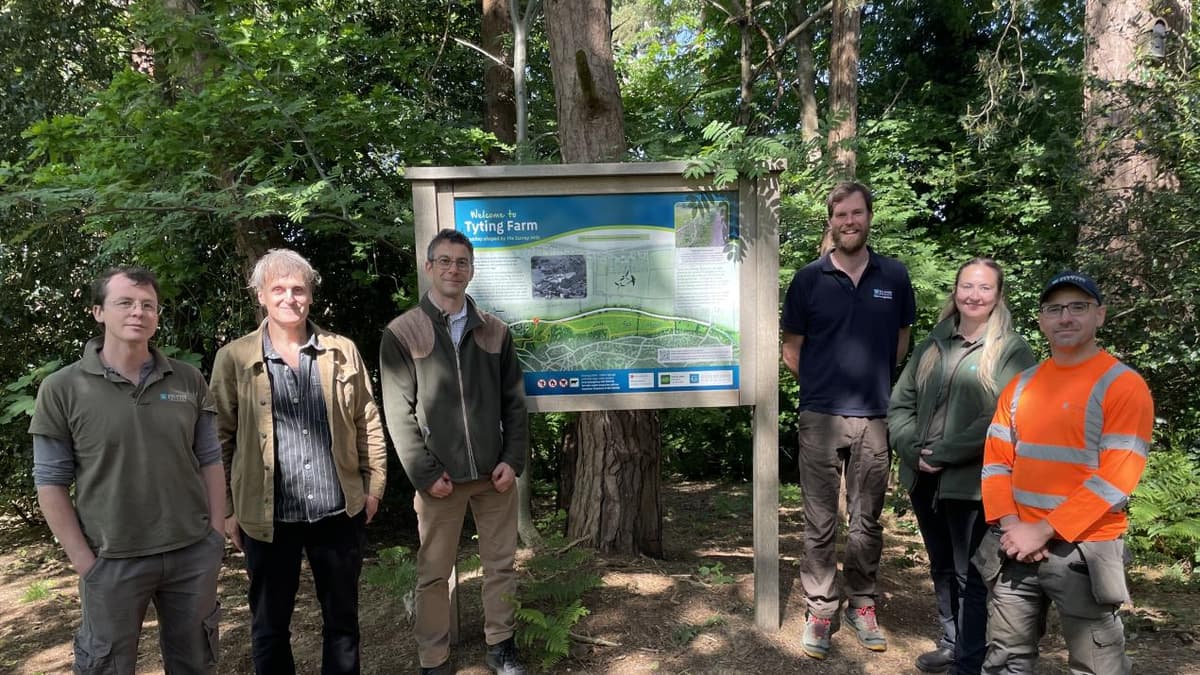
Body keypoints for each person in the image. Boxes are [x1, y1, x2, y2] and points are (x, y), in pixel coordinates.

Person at [30, 266, 225, 674]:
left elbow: (210, 458)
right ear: (98, 312)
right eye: (125, 303)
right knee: (108, 666)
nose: (138, 312)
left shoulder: (188, 379)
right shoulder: (62, 388)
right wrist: (85, 562)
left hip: (191, 553)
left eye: (148, 305)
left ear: (157, 316)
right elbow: (50, 481)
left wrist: (214, 535)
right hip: (111, 559)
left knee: (196, 664)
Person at [211, 249, 387, 674]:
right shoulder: (234, 358)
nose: (289, 298)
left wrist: (374, 487)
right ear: (260, 295)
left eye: (298, 289)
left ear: (310, 295)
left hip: (338, 511)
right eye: (278, 289)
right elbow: (217, 439)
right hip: (268, 518)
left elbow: (367, 420)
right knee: (270, 627)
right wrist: (228, 510)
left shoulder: (341, 351)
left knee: (342, 623)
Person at [976, 271, 1153, 674]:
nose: (1066, 317)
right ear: (1042, 320)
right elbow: (996, 462)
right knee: (1005, 659)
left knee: (1096, 666)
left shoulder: (1123, 386)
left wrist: (1043, 529)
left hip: (1084, 550)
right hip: (1016, 547)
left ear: (1099, 315)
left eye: (1078, 307)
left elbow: (1117, 477)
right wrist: (1012, 526)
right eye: (1054, 309)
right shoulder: (1021, 386)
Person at [380, 229, 529, 675]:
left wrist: (512, 460)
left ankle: (501, 646)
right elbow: (398, 413)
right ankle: (434, 659)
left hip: (494, 475)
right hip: (439, 480)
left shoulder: (495, 331)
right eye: (444, 261)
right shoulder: (403, 332)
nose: (453, 269)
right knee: (433, 573)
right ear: (429, 267)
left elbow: (514, 403)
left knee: (501, 565)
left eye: (462, 262)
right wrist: (425, 474)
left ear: (471, 270)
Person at [781, 182, 916, 660]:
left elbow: (900, 342)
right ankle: (820, 609)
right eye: (841, 215)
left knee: (866, 521)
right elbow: (791, 350)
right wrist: (826, 385)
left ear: (869, 217)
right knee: (819, 520)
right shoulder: (808, 280)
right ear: (831, 221)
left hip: (874, 416)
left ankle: (862, 603)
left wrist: (868, 383)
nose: (849, 222)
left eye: (856, 213)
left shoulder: (894, 276)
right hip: (819, 416)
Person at [888, 258, 1036, 674]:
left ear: (998, 295)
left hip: (973, 485)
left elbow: (1002, 416)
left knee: (971, 574)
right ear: (955, 291)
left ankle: (970, 658)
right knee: (941, 566)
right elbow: (900, 403)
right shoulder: (934, 342)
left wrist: (943, 453)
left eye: (984, 288)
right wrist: (912, 449)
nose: (974, 295)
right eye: (967, 286)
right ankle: (952, 642)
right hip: (923, 478)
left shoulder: (1011, 349)